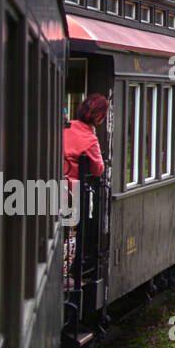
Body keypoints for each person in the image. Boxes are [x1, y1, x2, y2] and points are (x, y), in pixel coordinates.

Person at [63, 94, 108, 286]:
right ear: (99, 117)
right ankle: (65, 274)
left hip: (50, 186)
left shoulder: (67, 127)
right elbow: (98, 169)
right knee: (70, 234)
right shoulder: (90, 139)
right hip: (71, 192)